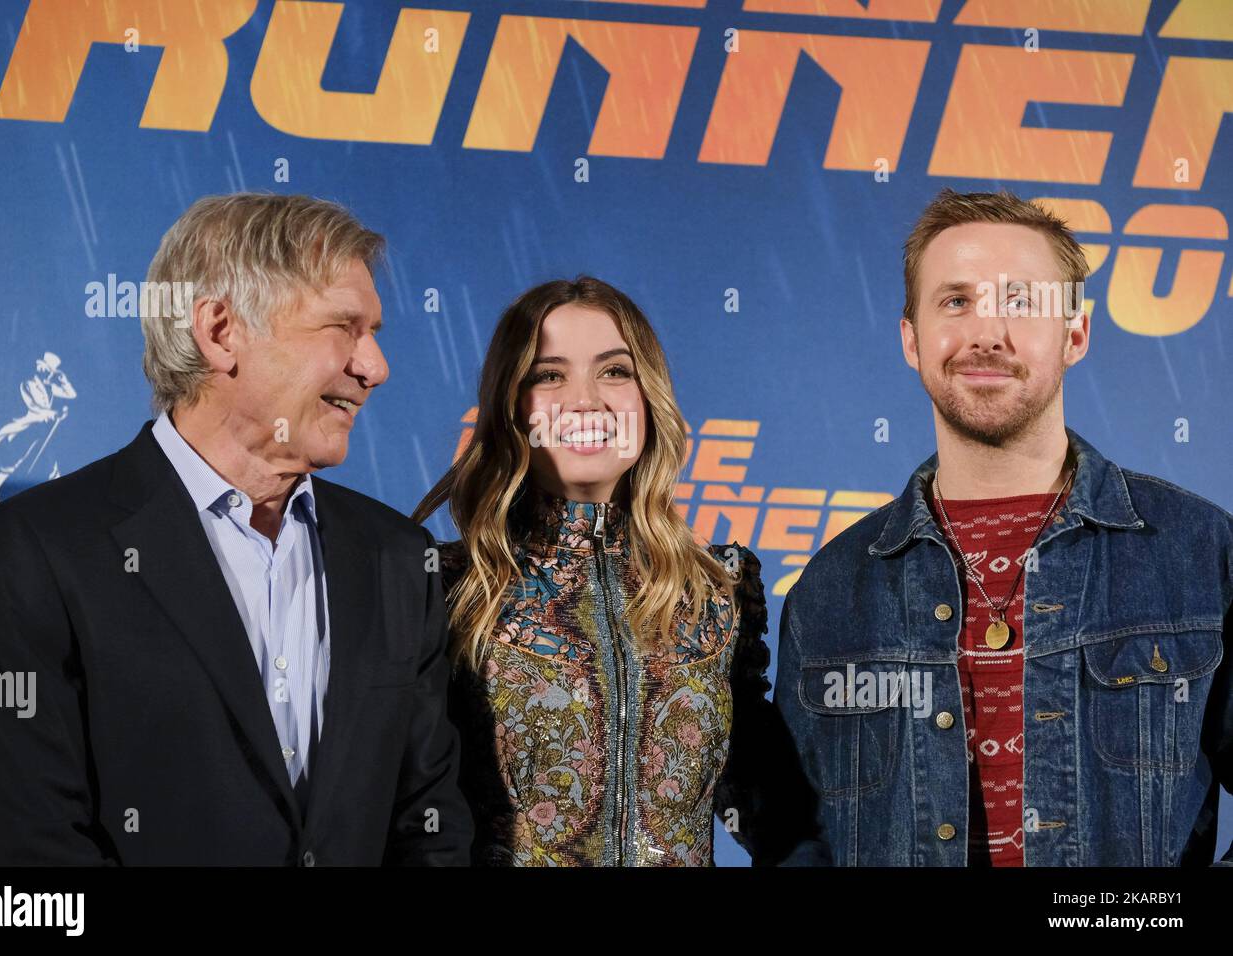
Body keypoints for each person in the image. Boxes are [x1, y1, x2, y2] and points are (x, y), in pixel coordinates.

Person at [0, 193, 472, 865]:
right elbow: (26, 850)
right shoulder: (44, 547)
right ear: (221, 331)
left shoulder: (398, 557)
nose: (375, 367)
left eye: (373, 332)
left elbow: (431, 828)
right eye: (343, 327)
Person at [777, 188, 1233, 866]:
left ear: (1075, 334)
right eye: (956, 301)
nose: (987, 334)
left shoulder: (1199, 553)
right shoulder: (832, 588)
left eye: (1020, 302)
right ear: (911, 338)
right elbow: (791, 834)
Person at [414, 275, 813, 866]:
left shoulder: (718, 587)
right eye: (549, 375)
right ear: (511, 406)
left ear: (648, 397)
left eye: (615, 371)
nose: (585, 400)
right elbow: (409, 814)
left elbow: (773, 808)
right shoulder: (447, 586)